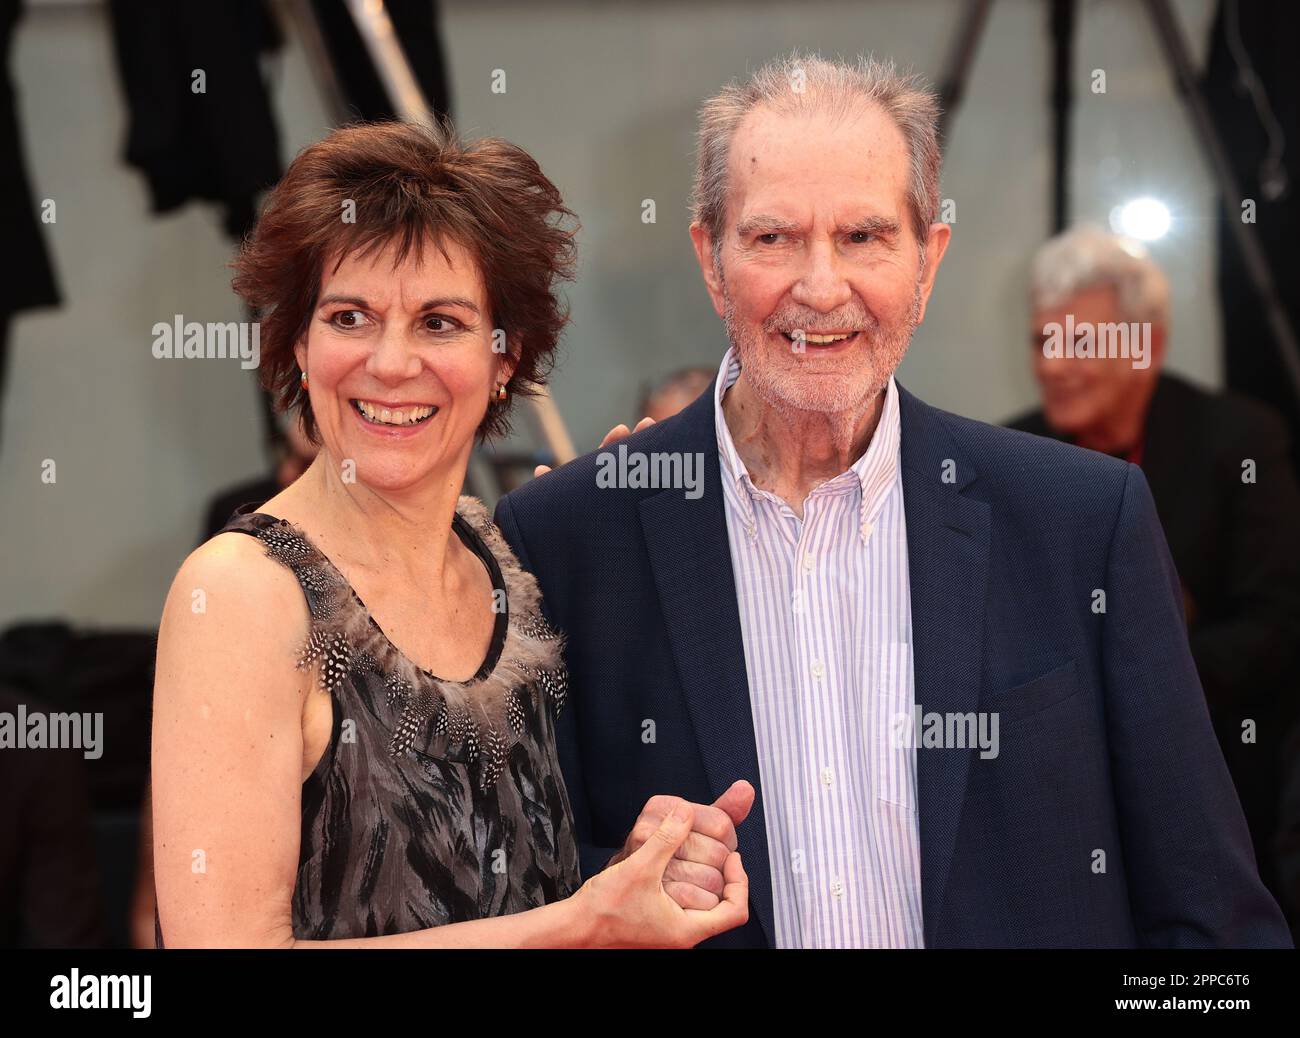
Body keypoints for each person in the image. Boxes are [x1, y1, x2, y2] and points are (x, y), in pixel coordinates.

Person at [495, 51, 1292, 947]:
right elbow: (513, 903)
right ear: (711, 260)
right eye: (773, 238)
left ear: (928, 260)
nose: (821, 287)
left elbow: (1214, 920)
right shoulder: (564, 540)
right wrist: (613, 885)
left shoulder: (1081, 521)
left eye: (864, 236)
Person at [150, 120, 747, 948]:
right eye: (350, 316)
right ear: (298, 342)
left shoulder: (504, 565)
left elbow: (507, 898)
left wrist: (624, 879)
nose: (392, 363)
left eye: (439, 322)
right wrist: (580, 925)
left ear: (507, 357)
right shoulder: (244, 594)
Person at [1008, 225, 1300, 905]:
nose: (1054, 365)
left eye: (1080, 343)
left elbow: (1280, 623)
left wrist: (1133, 690)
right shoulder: (1012, 453)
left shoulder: (1238, 442)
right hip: (1061, 792)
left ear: (1148, 348)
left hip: (1221, 772)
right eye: (1042, 341)